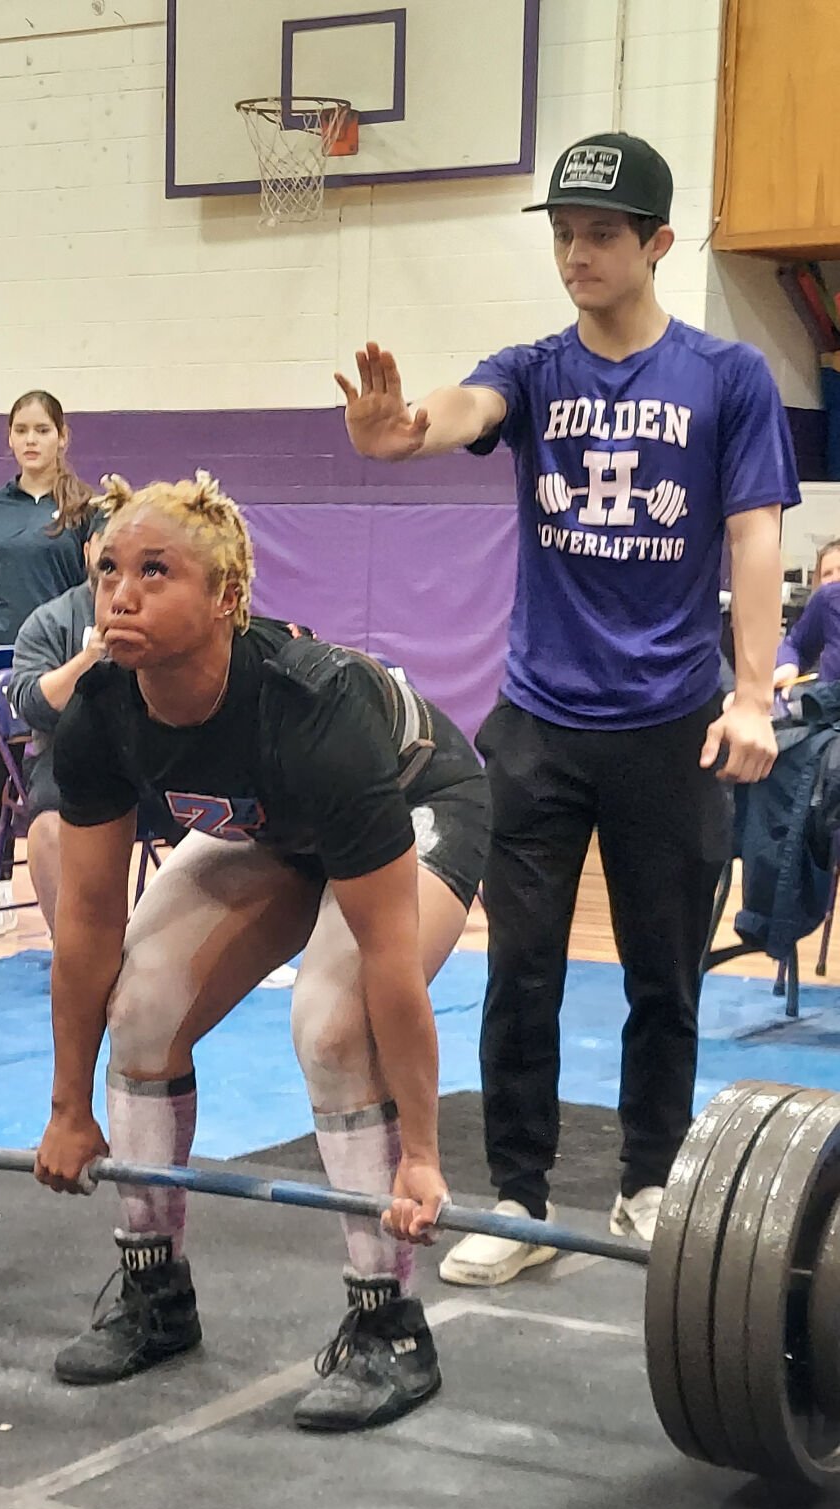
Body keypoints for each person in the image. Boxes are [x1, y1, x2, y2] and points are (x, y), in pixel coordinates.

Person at [337, 131, 800, 1283]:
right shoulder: (537, 368)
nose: (576, 253)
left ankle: (650, 1182)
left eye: (600, 234)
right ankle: (518, 1200)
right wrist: (402, 431)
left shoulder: (725, 379)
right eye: (561, 234)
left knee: (663, 974)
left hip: (671, 722)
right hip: (538, 722)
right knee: (521, 972)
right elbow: (463, 404)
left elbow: (753, 540)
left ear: (657, 241)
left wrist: (752, 697)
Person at [32, 471, 490, 1433]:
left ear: (227, 599)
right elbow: (84, 931)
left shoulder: (314, 713)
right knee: (144, 1002)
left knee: (330, 1017)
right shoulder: (103, 713)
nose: (121, 593)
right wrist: (70, 1108)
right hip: (278, 825)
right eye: (108, 568)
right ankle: (153, 1292)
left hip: (414, 799)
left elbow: (389, 973)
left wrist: (420, 1154)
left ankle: (388, 1323)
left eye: (155, 571)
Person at [0, 391, 100, 935]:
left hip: (66, 665)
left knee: (67, 765)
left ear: (63, 436)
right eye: (21, 430)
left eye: (42, 430)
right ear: (9, 438)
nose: (31, 440)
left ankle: (83, 890)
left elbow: (98, 587)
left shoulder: (89, 508)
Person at [7, 537, 106, 935]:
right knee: (46, 825)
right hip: (67, 750)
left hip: (152, 750)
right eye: (108, 547)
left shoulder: (163, 610)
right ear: (89, 549)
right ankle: (71, 947)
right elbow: (31, 704)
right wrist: (89, 658)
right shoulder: (50, 620)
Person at [774, 537, 840, 691]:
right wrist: (789, 665)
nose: (836, 579)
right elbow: (795, 645)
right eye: (827, 574)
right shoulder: (825, 599)